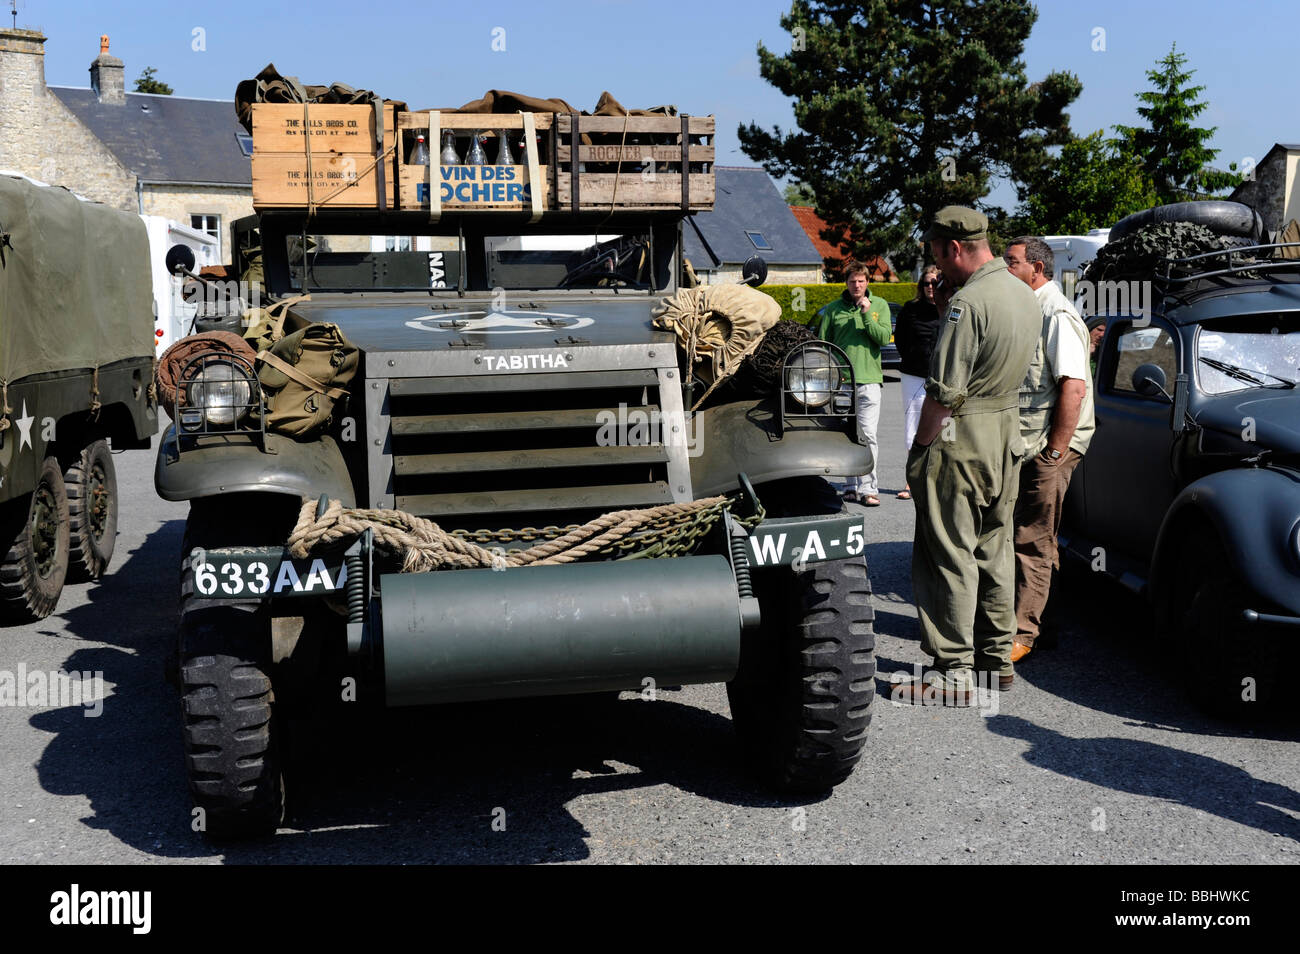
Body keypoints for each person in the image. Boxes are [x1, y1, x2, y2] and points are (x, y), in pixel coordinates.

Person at [894, 207, 1042, 706]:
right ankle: (996, 661)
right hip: (1006, 434)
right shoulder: (1024, 294)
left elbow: (944, 393)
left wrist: (920, 446)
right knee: (994, 550)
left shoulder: (968, 304)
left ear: (954, 248)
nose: (937, 266)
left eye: (937, 253)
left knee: (947, 551)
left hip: (963, 437)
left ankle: (954, 672)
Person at [1003, 237, 1096, 663]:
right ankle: (1046, 625)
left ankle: (1022, 634)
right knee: (1038, 537)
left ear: (1037, 269)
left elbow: (1073, 389)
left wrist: (1054, 454)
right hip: (1032, 444)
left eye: (1012, 262)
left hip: (1049, 448)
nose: (1006, 269)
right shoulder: (1030, 309)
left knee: (1031, 537)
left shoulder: (1056, 314)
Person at [812, 261, 892, 506]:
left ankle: (868, 488)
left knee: (867, 435)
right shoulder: (833, 310)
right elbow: (823, 346)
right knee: (845, 435)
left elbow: (882, 339)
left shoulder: (879, 305)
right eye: (852, 281)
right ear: (845, 283)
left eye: (861, 281)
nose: (857, 285)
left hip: (869, 381)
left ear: (867, 282)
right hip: (842, 383)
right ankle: (849, 485)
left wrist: (867, 314)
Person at [892, 265, 945, 500]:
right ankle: (911, 481)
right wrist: (913, 358)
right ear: (920, 286)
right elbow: (901, 340)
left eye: (935, 283)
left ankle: (938, 479)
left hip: (943, 378)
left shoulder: (951, 308)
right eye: (926, 283)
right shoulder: (909, 310)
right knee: (912, 428)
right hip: (913, 375)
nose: (930, 288)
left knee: (945, 430)